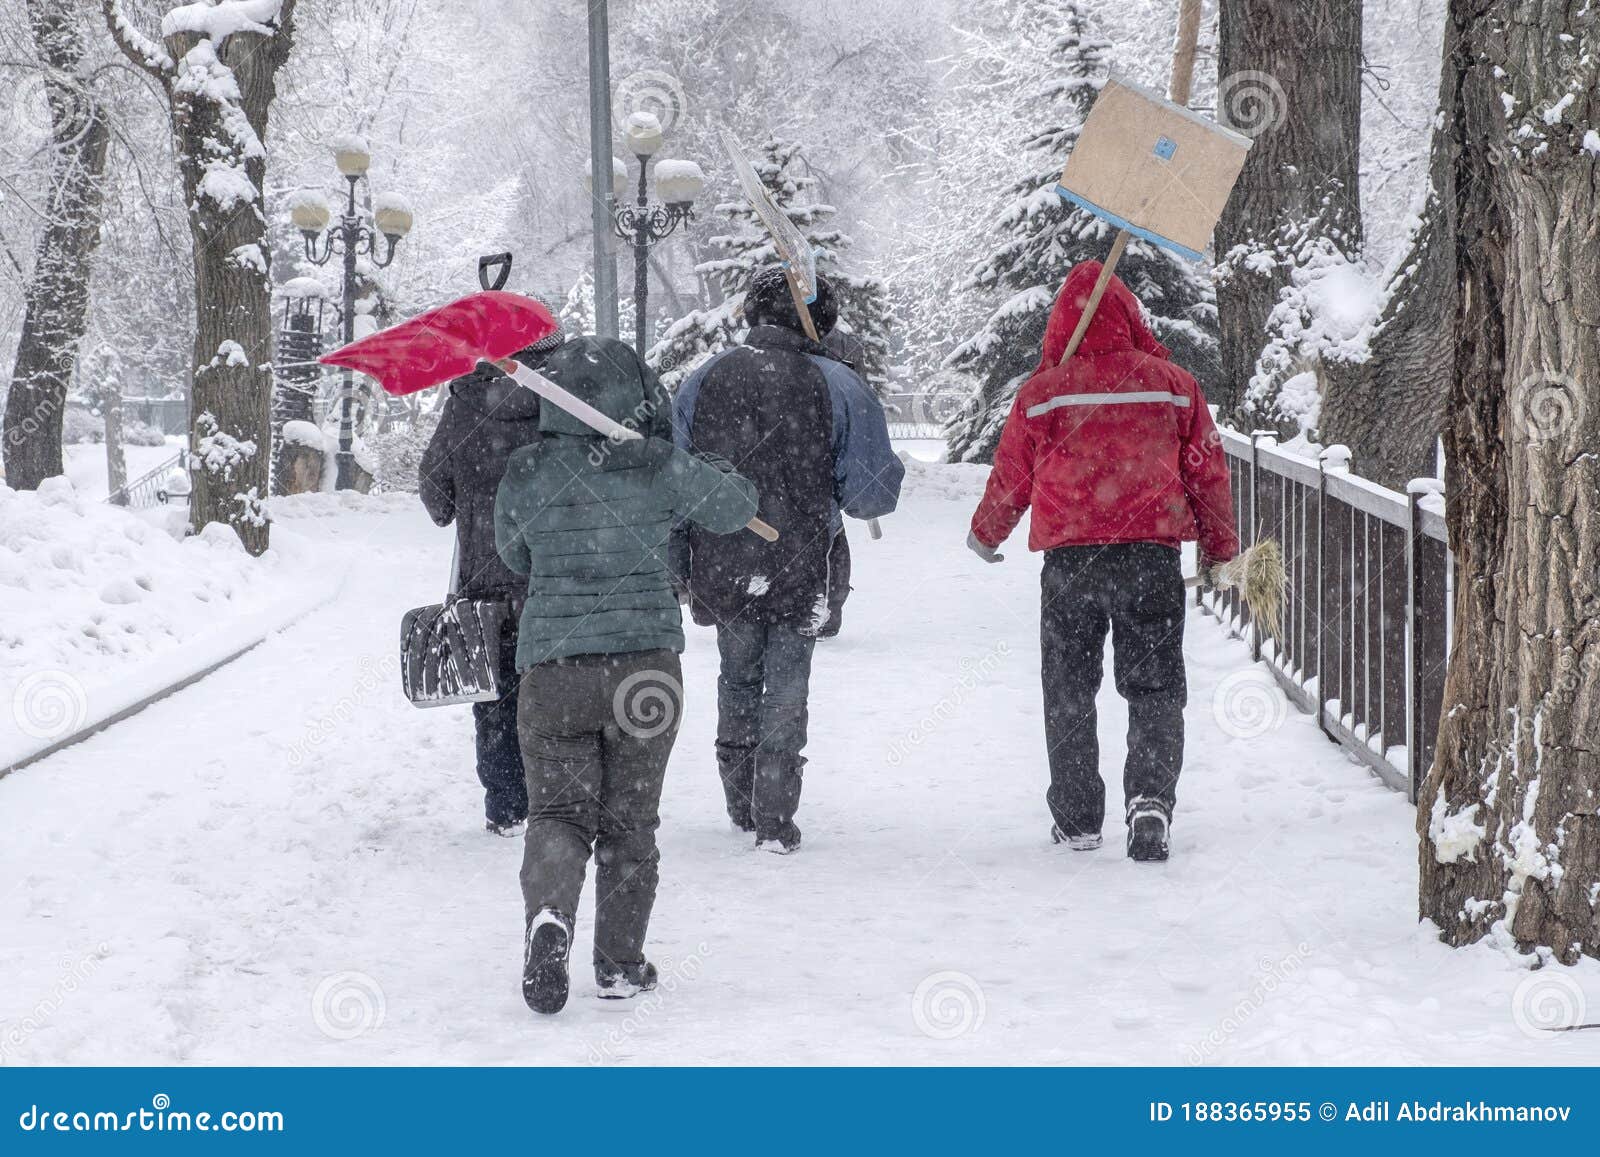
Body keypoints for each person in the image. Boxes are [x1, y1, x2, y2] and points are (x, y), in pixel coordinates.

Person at [494, 332, 758, 1015]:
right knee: (630, 822)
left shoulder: (524, 470)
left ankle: (551, 914)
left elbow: (513, 554)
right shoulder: (654, 464)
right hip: (645, 670)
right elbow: (735, 508)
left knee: (557, 813)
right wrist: (706, 465)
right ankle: (619, 962)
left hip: (552, 669)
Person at [966, 260, 1238, 863]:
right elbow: (1207, 470)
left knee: (1068, 687)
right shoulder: (1172, 385)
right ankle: (1149, 803)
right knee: (1156, 687)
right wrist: (1220, 548)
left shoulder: (1041, 395)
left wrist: (988, 532)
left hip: (1071, 564)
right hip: (1151, 559)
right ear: (1130, 318)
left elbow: (1014, 472)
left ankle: (1077, 815)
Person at [672, 265, 904, 854]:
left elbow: (675, 479)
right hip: (803, 557)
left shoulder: (703, 379)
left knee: (736, 675)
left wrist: (679, 553)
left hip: (722, 557)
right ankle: (775, 813)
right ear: (819, 320)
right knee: (786, 687)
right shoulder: (839, 385)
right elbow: (870, 493)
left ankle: (740, 799)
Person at [419, 321, 566, 837]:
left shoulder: (465, 401)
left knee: (496, 697)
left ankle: (507, 806)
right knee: (556, 691)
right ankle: (557, 803)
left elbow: (437, 498)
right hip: (558, 579)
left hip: (486, 581)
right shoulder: (568, 401)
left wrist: (476, 495)